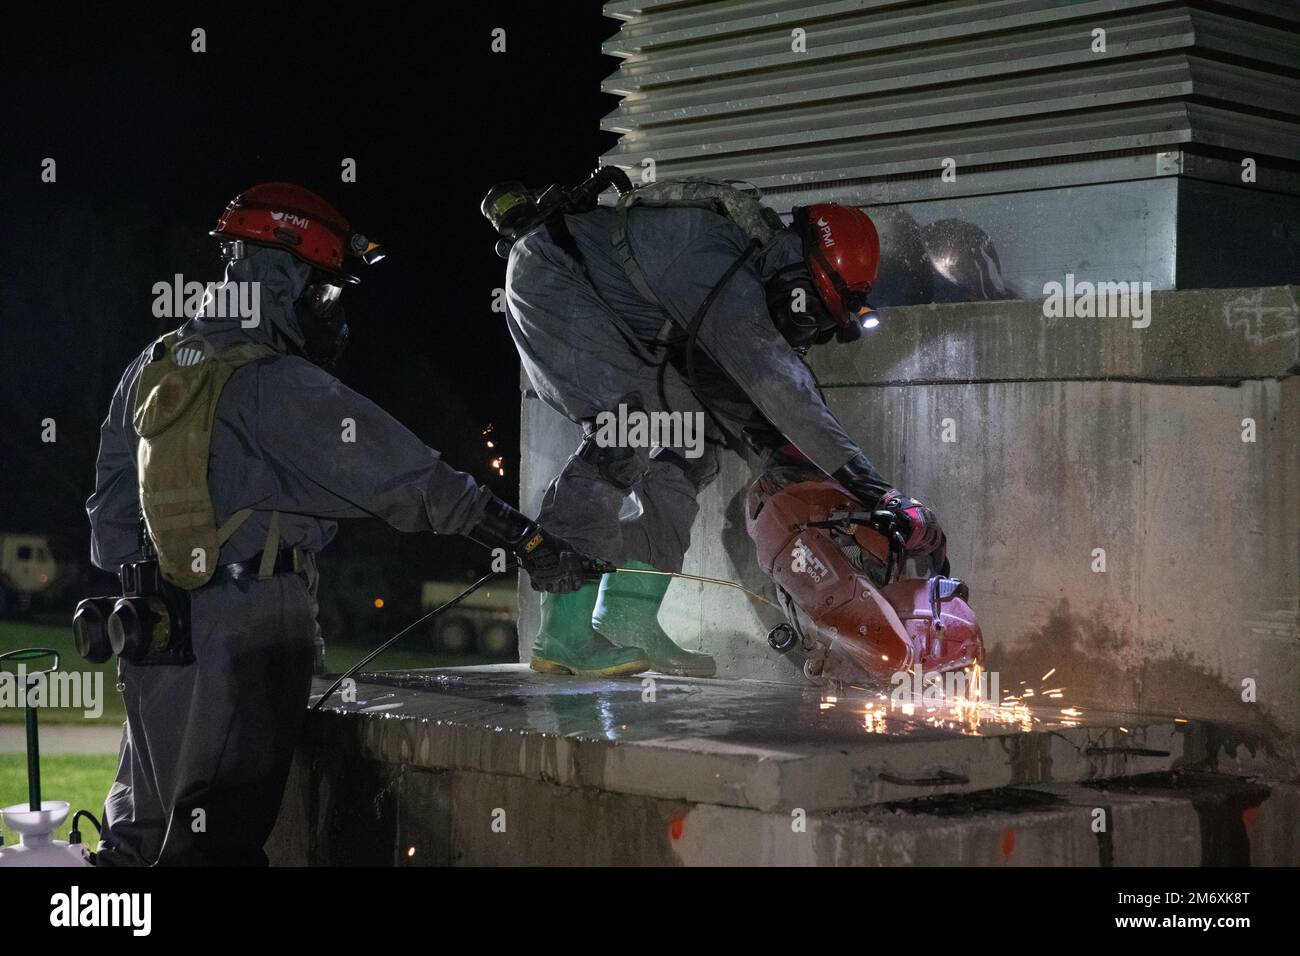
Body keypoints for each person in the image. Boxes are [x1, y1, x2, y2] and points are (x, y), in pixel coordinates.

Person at [86, 182, 598, 865]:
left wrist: (171, 574)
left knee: (137, 834)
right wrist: (527, 541)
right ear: (280, 277)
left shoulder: (149, 369)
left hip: (149, 623)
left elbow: (109, 528)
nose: (331, 310)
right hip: (251, 628)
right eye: (325, 291)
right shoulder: (282, 385)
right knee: (218, 837)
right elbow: (417, 481)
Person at [501, 190, 945, 678]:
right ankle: (562, 635)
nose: (805, 328)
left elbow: (745, 389)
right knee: (619, 434)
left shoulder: (745, 277)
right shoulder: (714, 261)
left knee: (696, 443)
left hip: (624, 315)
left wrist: (789, 457)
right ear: (796, 267)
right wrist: (880, 490)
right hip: (553, 278)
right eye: (811, 311)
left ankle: (629, 619)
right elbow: (777, 384)